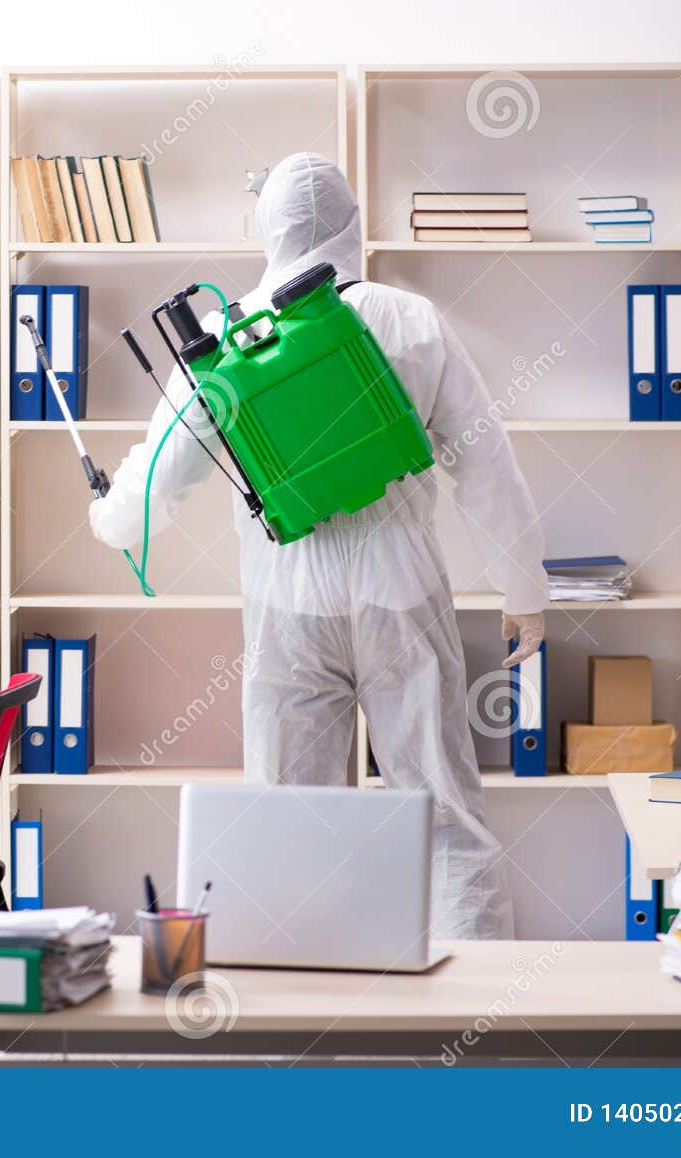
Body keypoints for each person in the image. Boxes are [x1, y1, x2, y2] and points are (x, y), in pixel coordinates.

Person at [89, 153, 547, 939]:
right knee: (443, 818)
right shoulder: (409, 318)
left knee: (288, 825)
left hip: (286, 609)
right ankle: (480, 1024)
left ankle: (294, 1025)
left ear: (267, 228)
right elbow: (485, 463)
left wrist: (112, 520)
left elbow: (157, 475)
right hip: (402, 597)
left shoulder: (225, 342)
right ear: (350, 224)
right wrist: (524, 593)